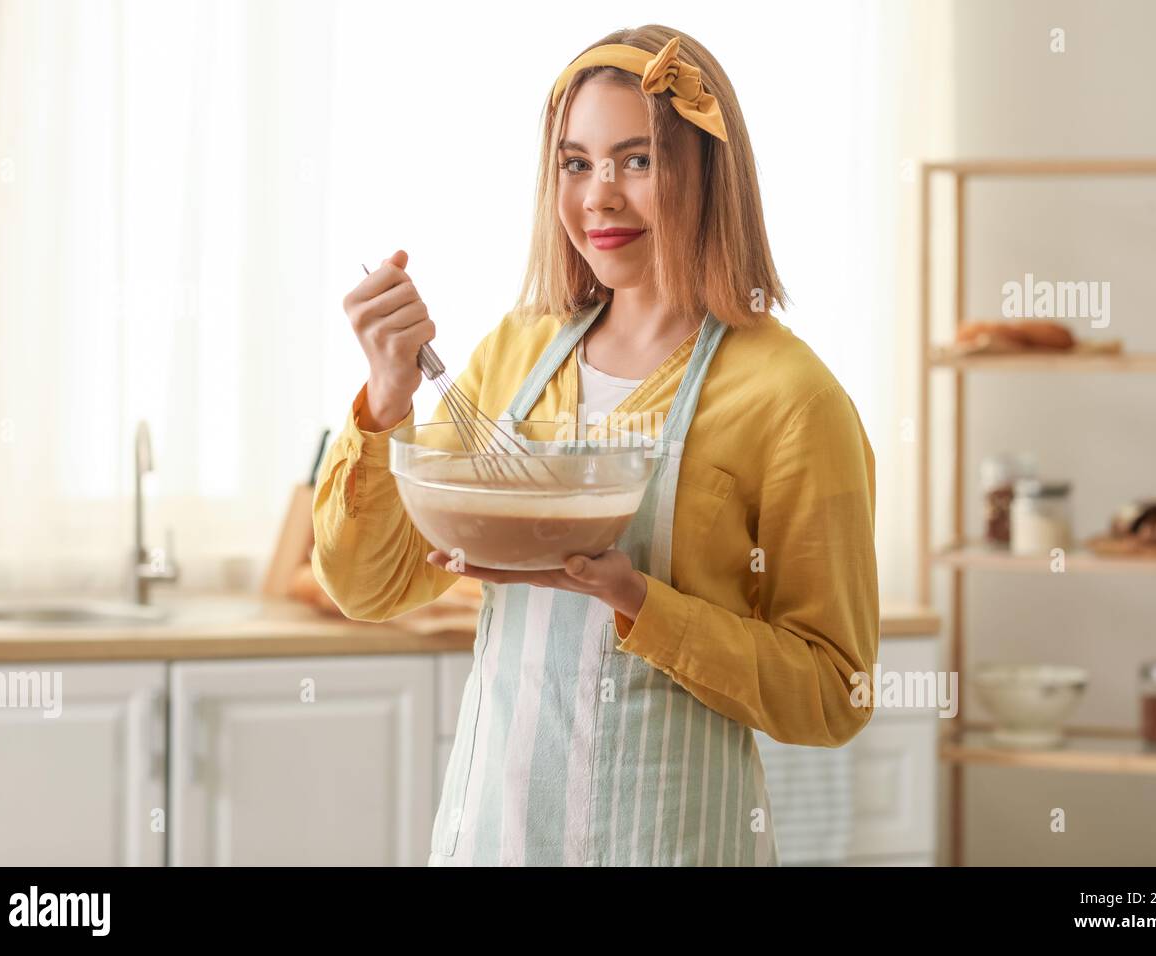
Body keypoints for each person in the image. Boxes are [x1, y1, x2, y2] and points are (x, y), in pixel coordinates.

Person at [312, 25, 879, 867]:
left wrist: (639, 602)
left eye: (637, 160)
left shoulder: (793, 399)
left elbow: (837, 692)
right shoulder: (517, 350)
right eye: (576, 163)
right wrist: (390, 394)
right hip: (493, 840)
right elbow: (368, 587)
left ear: (707, 174)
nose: (599, 198)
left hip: (675, 840)